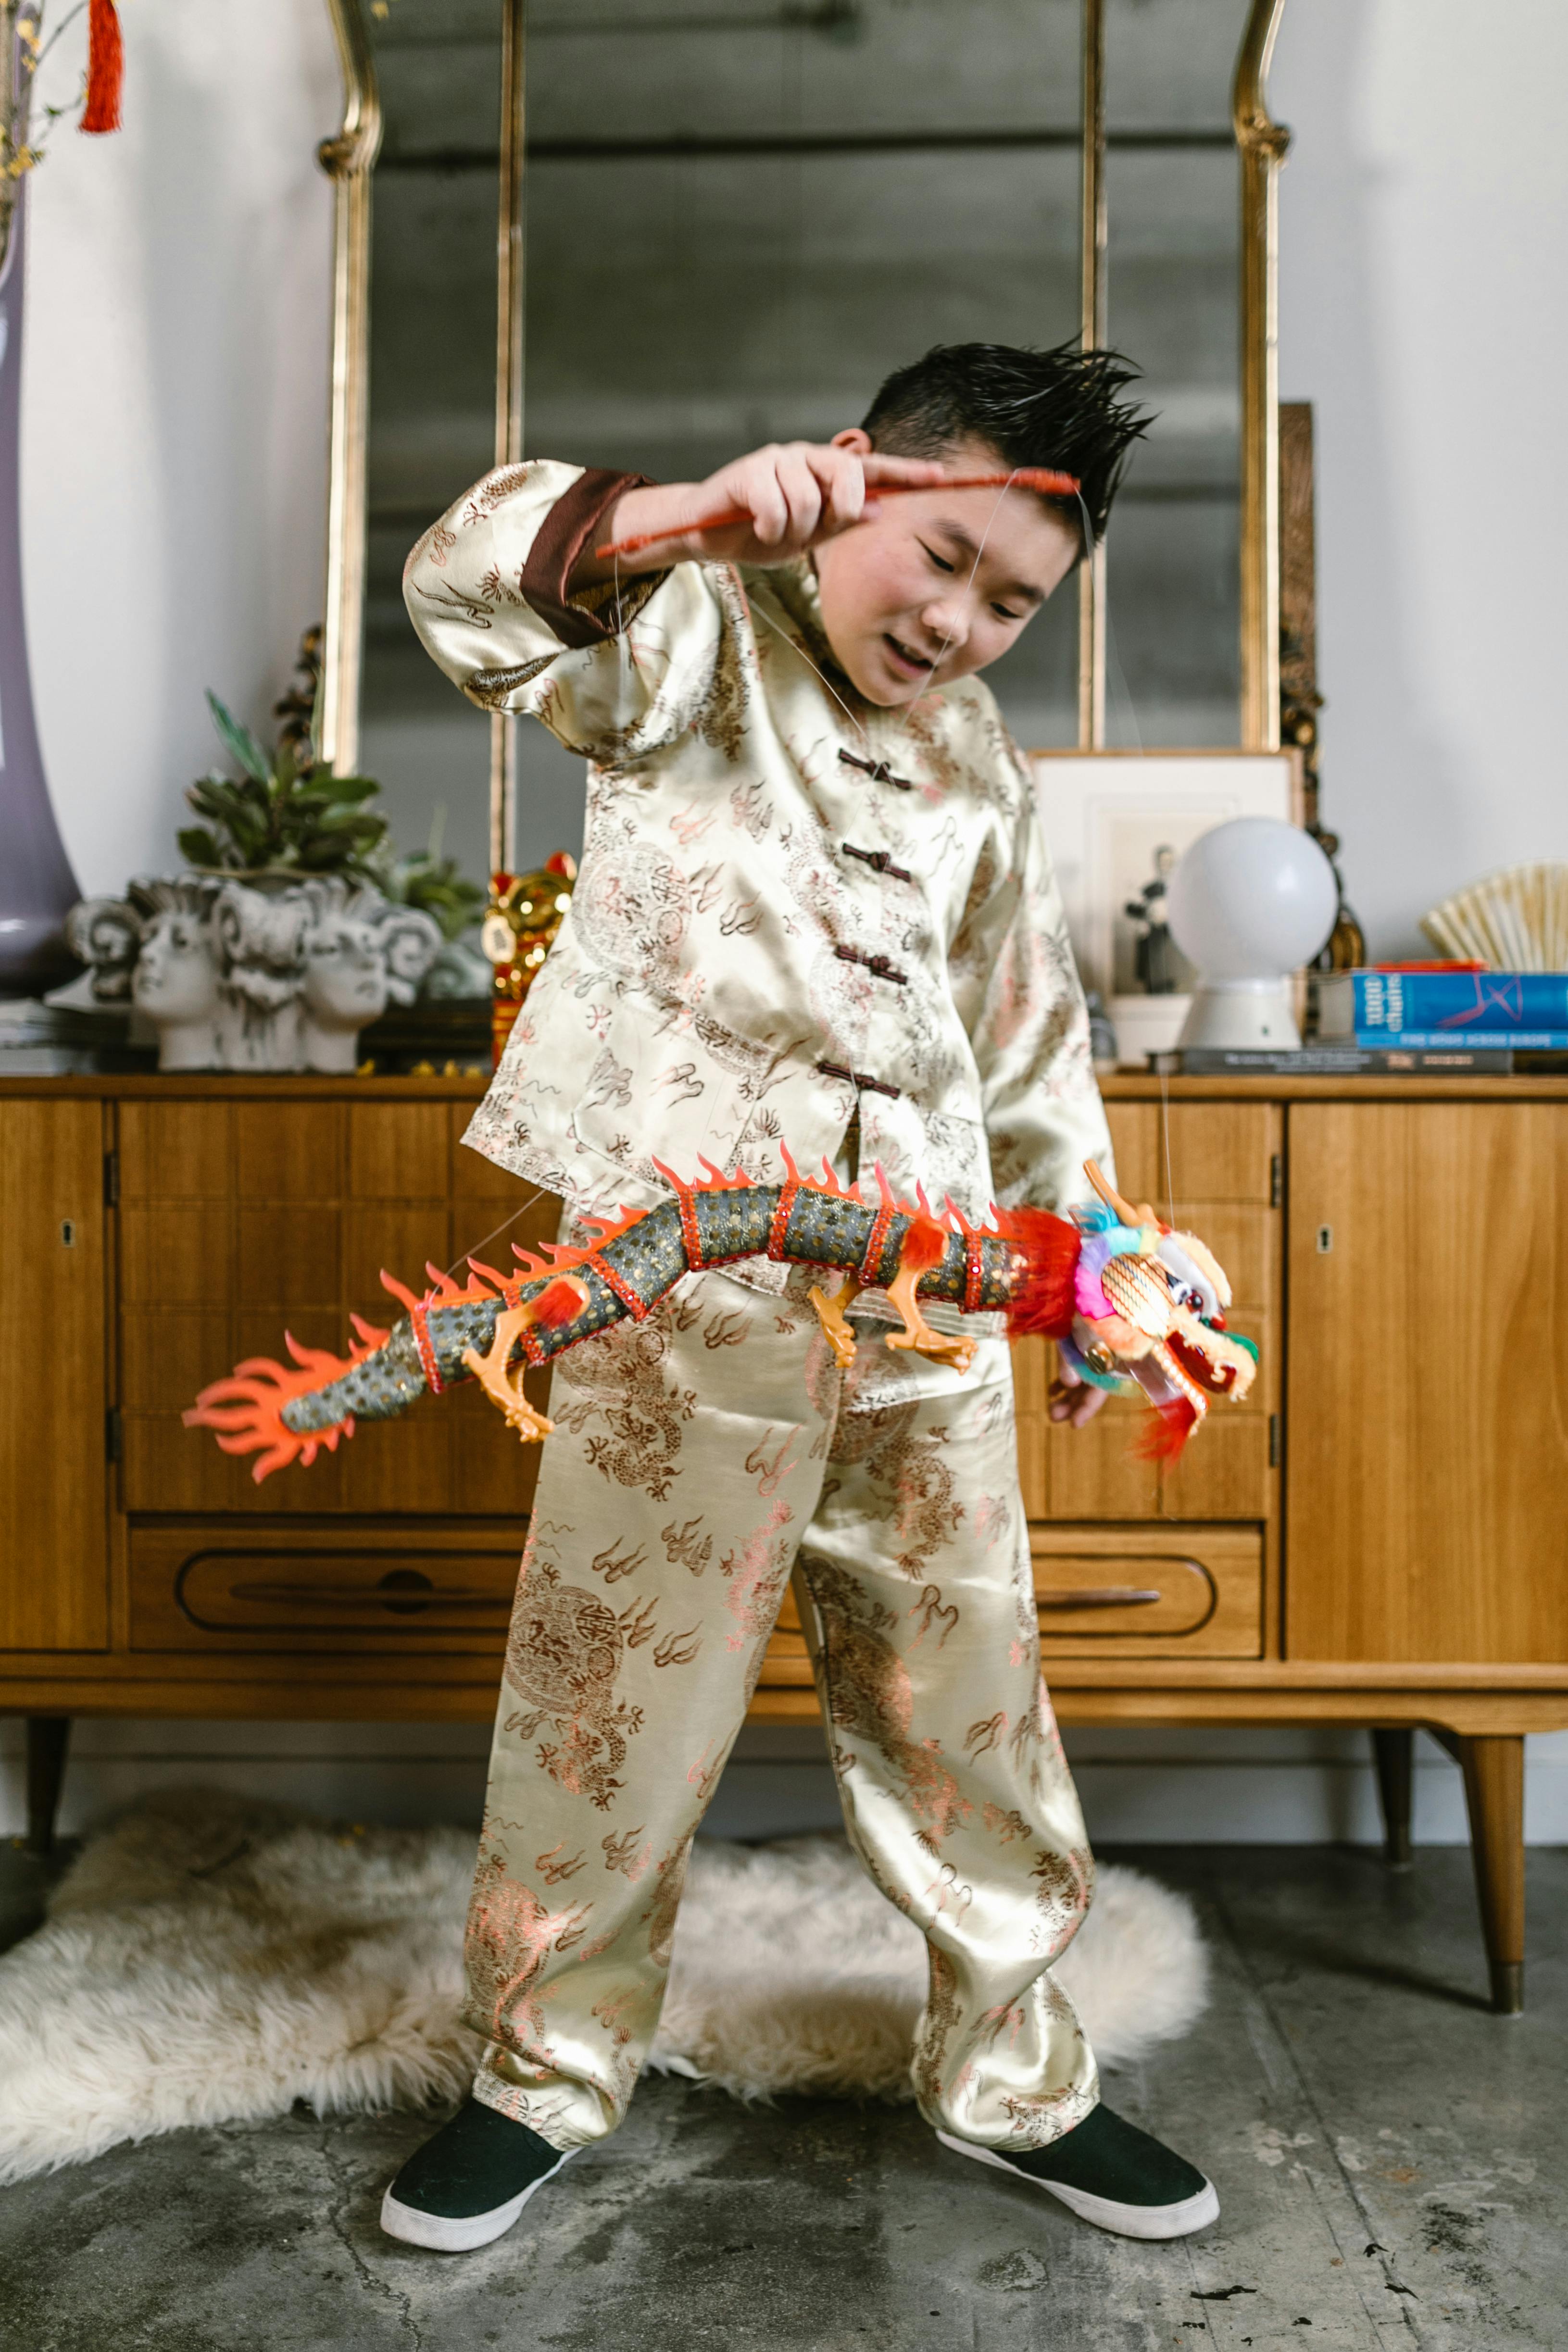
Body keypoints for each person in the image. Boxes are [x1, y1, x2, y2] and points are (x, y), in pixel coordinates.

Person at [381, 341, 1217, 2252]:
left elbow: (1027, 1042)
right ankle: (539, 2070)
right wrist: (689, 510)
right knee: (615, 1695)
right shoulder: (691, 638)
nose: (957, 623)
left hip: (924, 1293)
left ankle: (1017, 2065)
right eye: (940, 564)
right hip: (686, 1284)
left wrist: (1093, 1266)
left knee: (974, 1702)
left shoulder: (985, 769)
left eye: (1012, 605)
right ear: (852, 483)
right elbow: (463, 582)